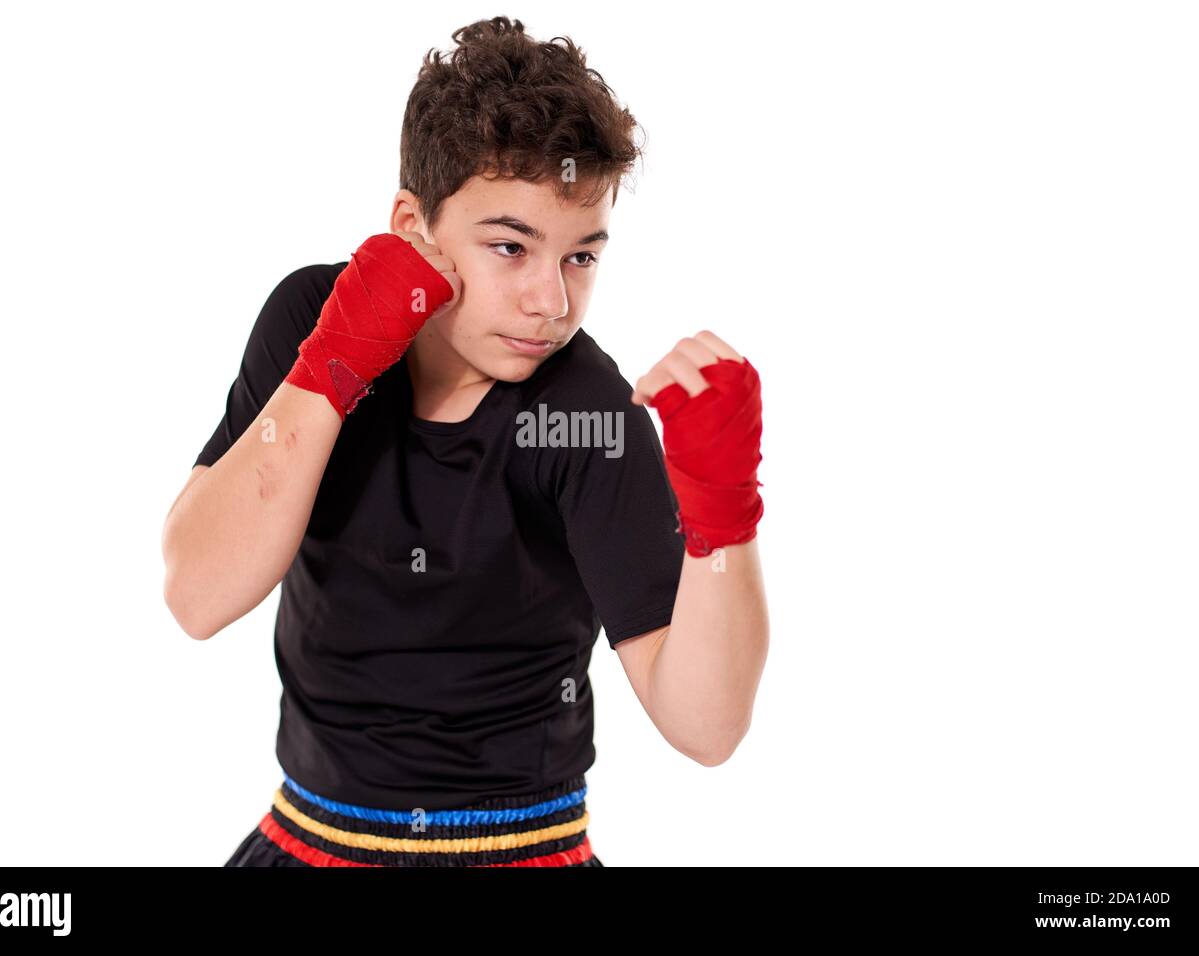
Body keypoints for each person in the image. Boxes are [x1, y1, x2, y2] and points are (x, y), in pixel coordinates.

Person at [162, 16, 769, 868]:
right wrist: (330, 372)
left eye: (581, 258)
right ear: (412, 225)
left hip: (522, 852)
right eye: (510, 247)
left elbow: (705, 728)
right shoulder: (310, 319)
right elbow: (196, 594)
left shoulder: (590, 411)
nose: (550, 302)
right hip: (302, 841)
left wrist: (724, 513)